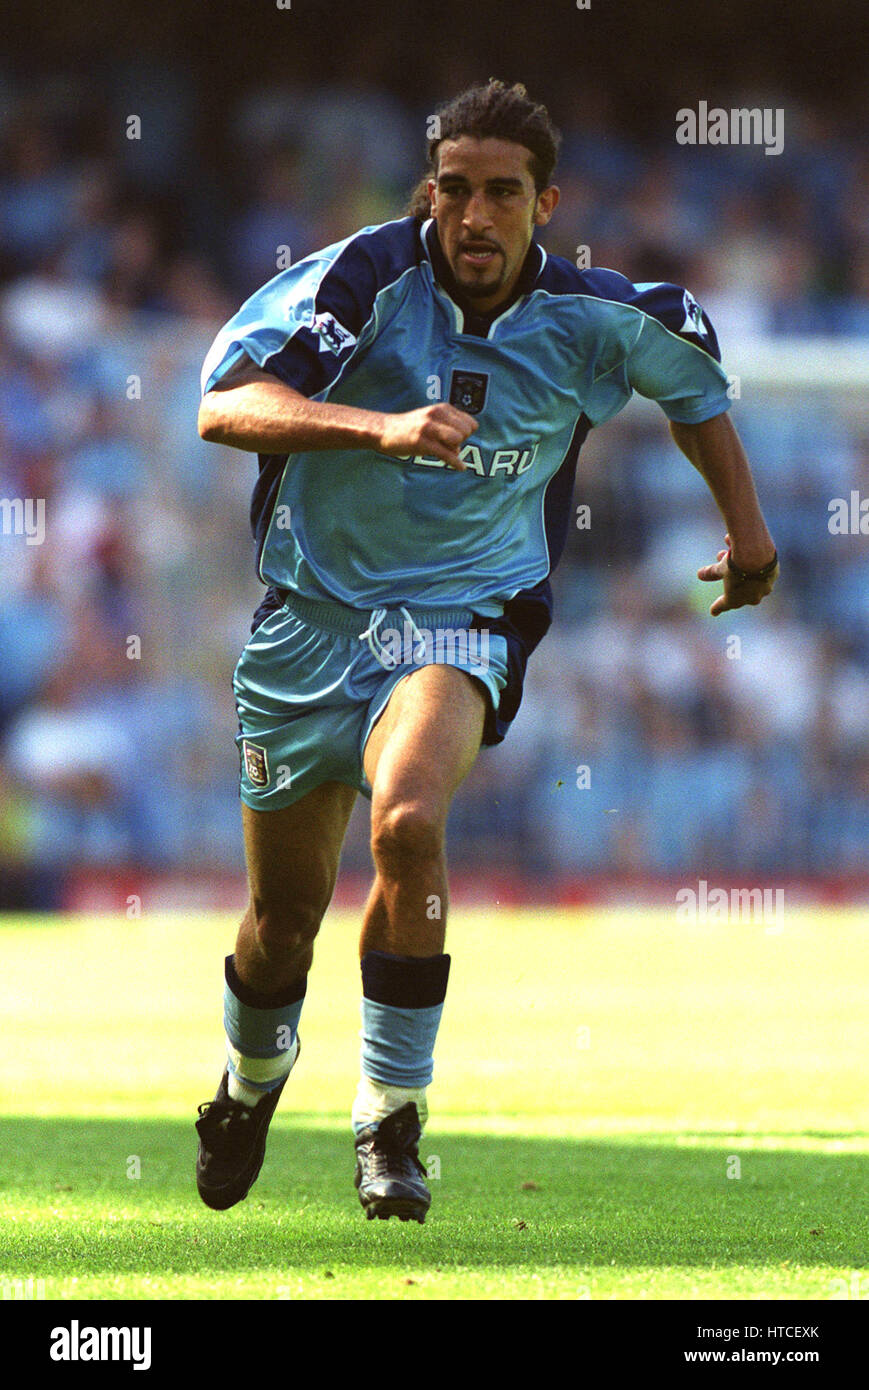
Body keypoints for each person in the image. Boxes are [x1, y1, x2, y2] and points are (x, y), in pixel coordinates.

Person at [193, 80, 778, 1223]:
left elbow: (694, 389)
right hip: (307, 621)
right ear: (429, 191)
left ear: (542, 202)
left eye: (500, 193)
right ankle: (250, 1084)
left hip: (465, 613)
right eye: (453, 188)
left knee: (407, 820)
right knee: (280, 928)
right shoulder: (358, 281)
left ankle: (389, 1121)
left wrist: (748, 536)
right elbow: (223, 406)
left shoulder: (595, 316)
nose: (473, 214)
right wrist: (378, 426)